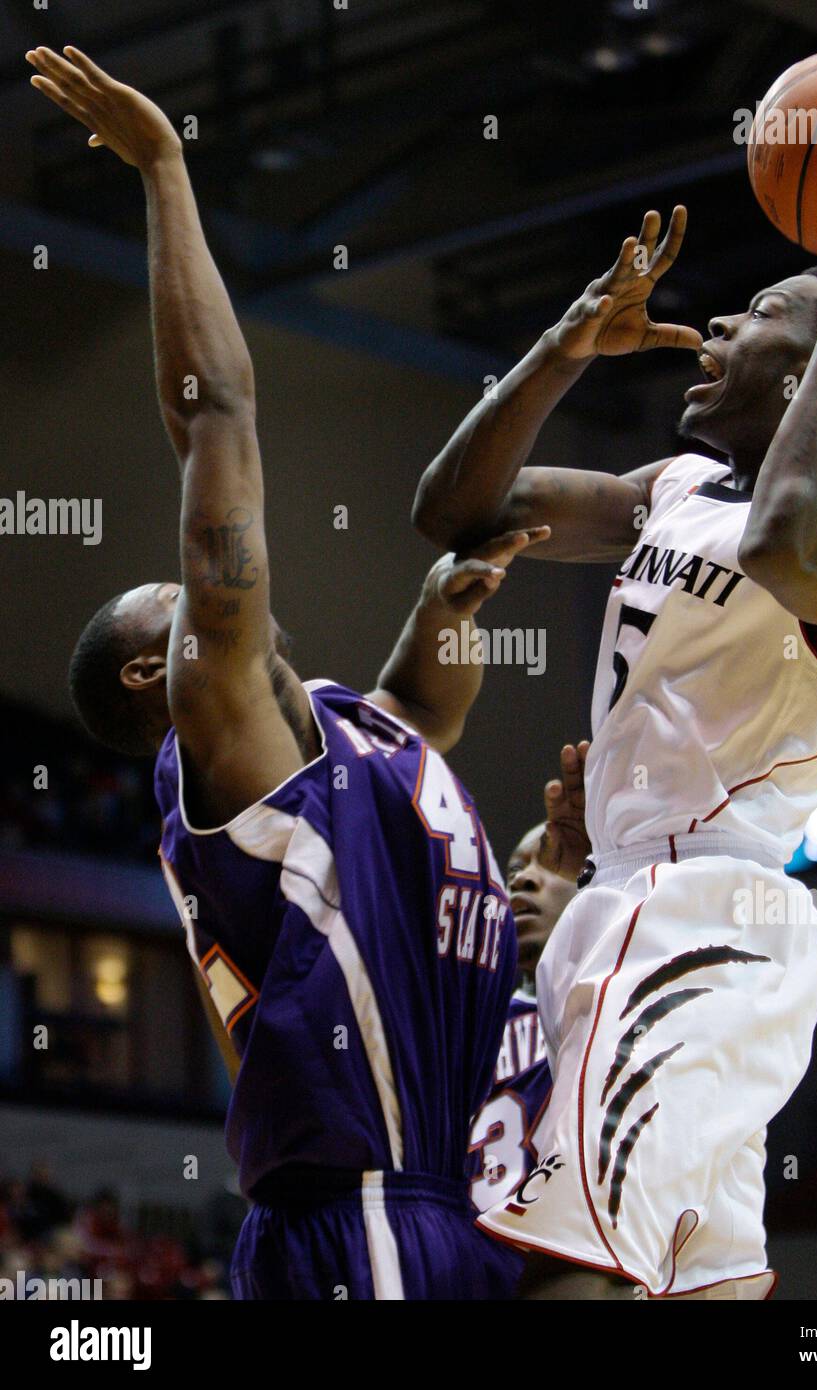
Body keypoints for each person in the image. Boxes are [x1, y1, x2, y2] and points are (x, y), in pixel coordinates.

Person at [30, 43, 546, 1301]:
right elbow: (218, 414)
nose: (231, 604)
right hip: (355, 1216)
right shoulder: (219, 727)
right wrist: (162, 171)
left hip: (443, 1205)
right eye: (189, 603)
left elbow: (423, 714)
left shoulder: (330, 732)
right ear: (163, 669)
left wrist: (445, 609)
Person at [412, 168, 817, 1298]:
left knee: (561, 1270)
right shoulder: (674, 490)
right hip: (624, 908)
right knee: (696, 1286)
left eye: (762, 312)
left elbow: (782, 548)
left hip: (705, 920)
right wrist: (566, 344)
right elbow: (457, 508)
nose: (718, 319)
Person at [469, 743, 586, 1216]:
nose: (522, 880)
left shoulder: (617, 997)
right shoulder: (467, 1021)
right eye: (514, 871)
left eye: (552, 860)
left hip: (567, 1253)